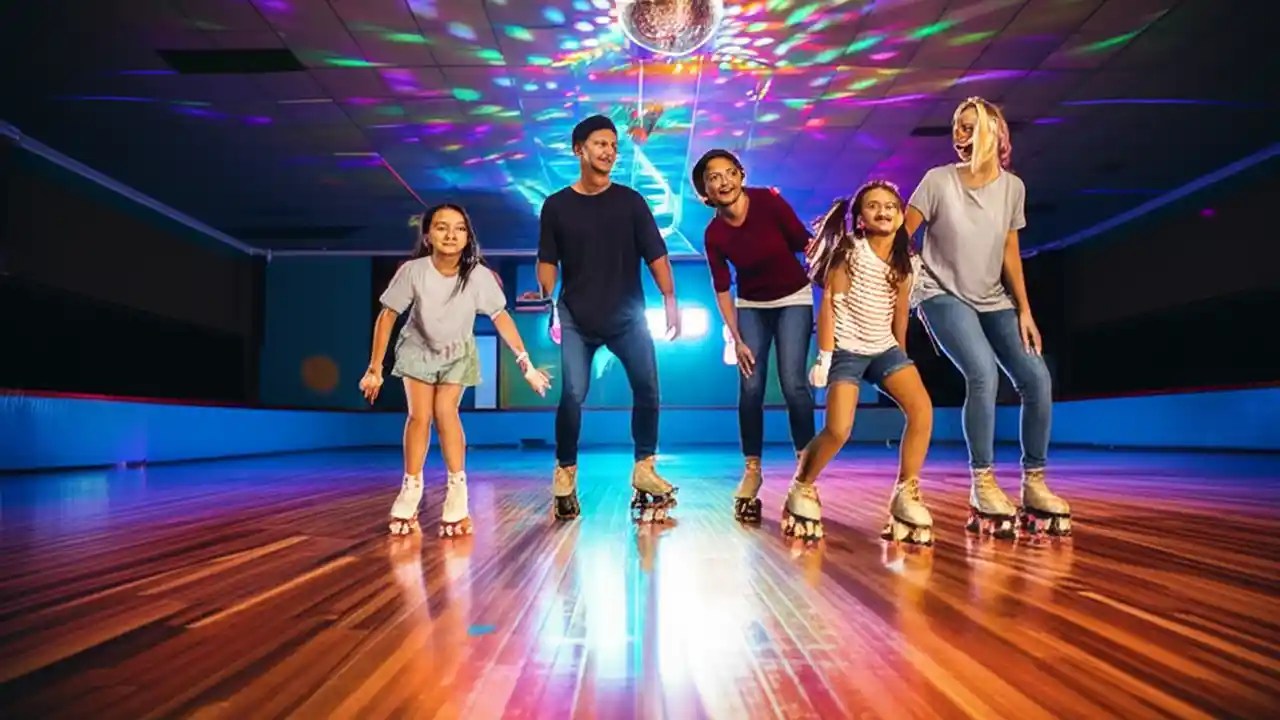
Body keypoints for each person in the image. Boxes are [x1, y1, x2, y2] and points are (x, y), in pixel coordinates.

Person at [904, 96, 1071, 538]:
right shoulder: (937, 181)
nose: (959, 136)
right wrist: (900, 286)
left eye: (969, 127)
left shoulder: (1013, 188)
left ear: (994, 133)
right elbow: (899, 234)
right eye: (956, 128)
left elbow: (1010, 251)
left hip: (992, 296)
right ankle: (983, 483)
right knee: (982, 375)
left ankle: (1034, 482)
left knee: (1036, 378)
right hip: (940, 292)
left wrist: (1025, 311)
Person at [524, 115, 681, 523]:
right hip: (576, 316)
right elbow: (547, 260)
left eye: (613, 144)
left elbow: (656, 253)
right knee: (573, 392)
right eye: (600, 143)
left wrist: (669, 298)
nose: (609, 151)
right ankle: (565, 473)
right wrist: (544, 294)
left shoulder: (630, 201)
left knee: (648, 387)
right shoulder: (556, 206)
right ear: (579, 149)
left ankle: (644, 468)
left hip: (627, 316)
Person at [360, 203, 552, 537]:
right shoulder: (413, 271)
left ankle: (457, 489)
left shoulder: (478, 275)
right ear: (428, 235)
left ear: (468, 236)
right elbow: (388, 314)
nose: (451, 234)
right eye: (441, 227)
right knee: (419, 416)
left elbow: (501, 317)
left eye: (459, 228)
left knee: (445, 411)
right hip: (417, 350)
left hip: (457, 354)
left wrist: (527, 365)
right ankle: (411, 486)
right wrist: (374, 368)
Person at [785, 180, 936, 545]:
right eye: (873, 206)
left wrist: (901, 356)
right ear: (860, 219)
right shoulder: (849, 251)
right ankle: (802, 487)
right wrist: (824, 356)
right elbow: (830, 306)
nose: (883, 211)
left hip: (884, 349)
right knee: (838, 430)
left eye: (891, 206)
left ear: (901, 216)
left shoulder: (906, 260)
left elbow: (900, 311)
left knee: (922, 410)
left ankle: (906, 491)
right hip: (847, 351)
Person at [692, 149, 816, 524]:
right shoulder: (713, 234)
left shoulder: (767, 202)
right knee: (750, 387)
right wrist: (736, 338)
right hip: (751, 306)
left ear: (741, 176)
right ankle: (752, 469)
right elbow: (722, 288)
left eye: (730, 173)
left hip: (794, 297)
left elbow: (803, 243)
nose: (724, 182)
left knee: (794, 383)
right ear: (705, 192)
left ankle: (805, 472)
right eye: (714, 178)